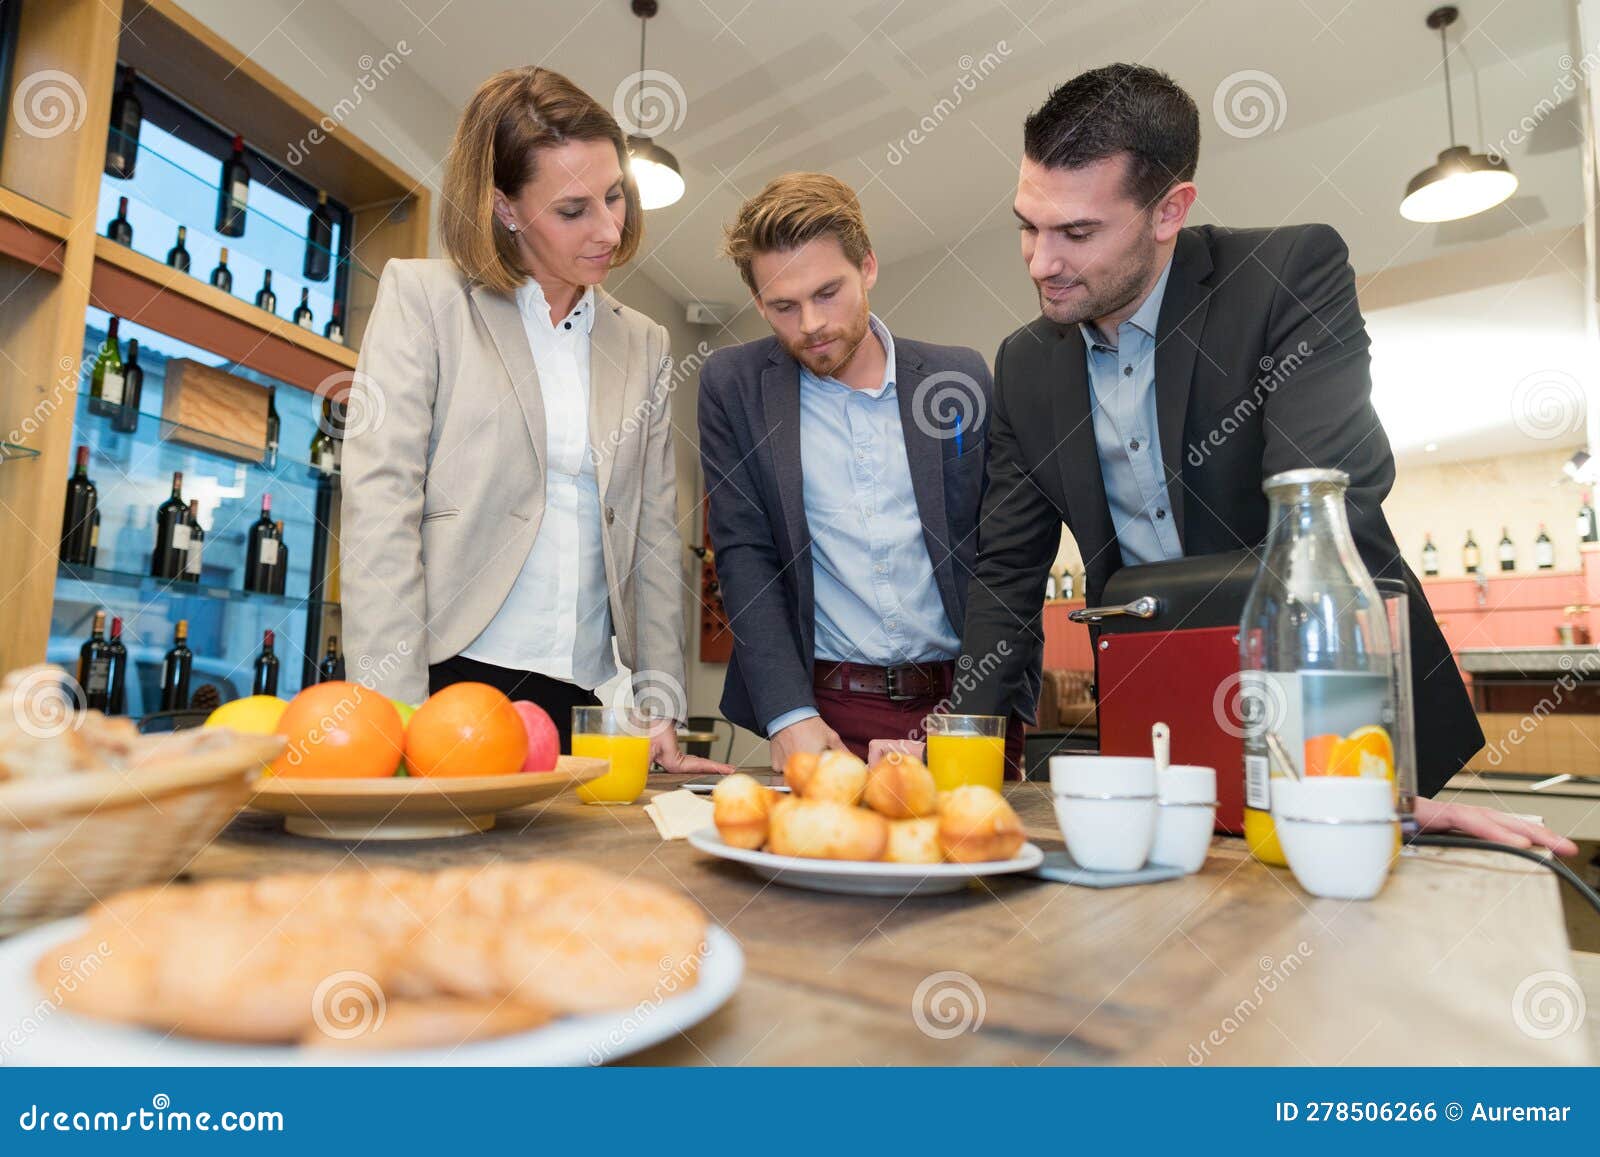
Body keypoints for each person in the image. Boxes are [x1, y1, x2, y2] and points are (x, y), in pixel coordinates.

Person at [955, 63, 1574, 855]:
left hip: (1337, 698)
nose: (1041, 262)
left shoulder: (1285, 277)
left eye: (1077, 233)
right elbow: (1004, 572)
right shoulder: (1026, 364)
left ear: (1170, 210)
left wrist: (1347, 764)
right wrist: (966, 759)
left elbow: (1322, 518)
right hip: (1162, 715)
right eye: (1028, 225)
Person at [340, 66, 726, 772]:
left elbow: (652, 533)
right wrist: (388, 709)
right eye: (574, 209)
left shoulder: (640, 341)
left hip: (582, 693)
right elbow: (381, 503)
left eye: (615, 196)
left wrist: (659, 700)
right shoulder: (426, 301)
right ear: (506, 208)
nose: (610, 228)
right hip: (446, 678)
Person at [698, 173, 1025, 773]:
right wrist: (789, 714)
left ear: (868, 267)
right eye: (783, 306)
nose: (810, 325)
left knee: (976, 865)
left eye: (828, 293)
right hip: (824, 712)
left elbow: (1003, 553)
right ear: (757, 303)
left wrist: (975, 710)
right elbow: (743, 552)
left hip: (965, 700)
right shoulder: (732, 387)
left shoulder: (959, 378)